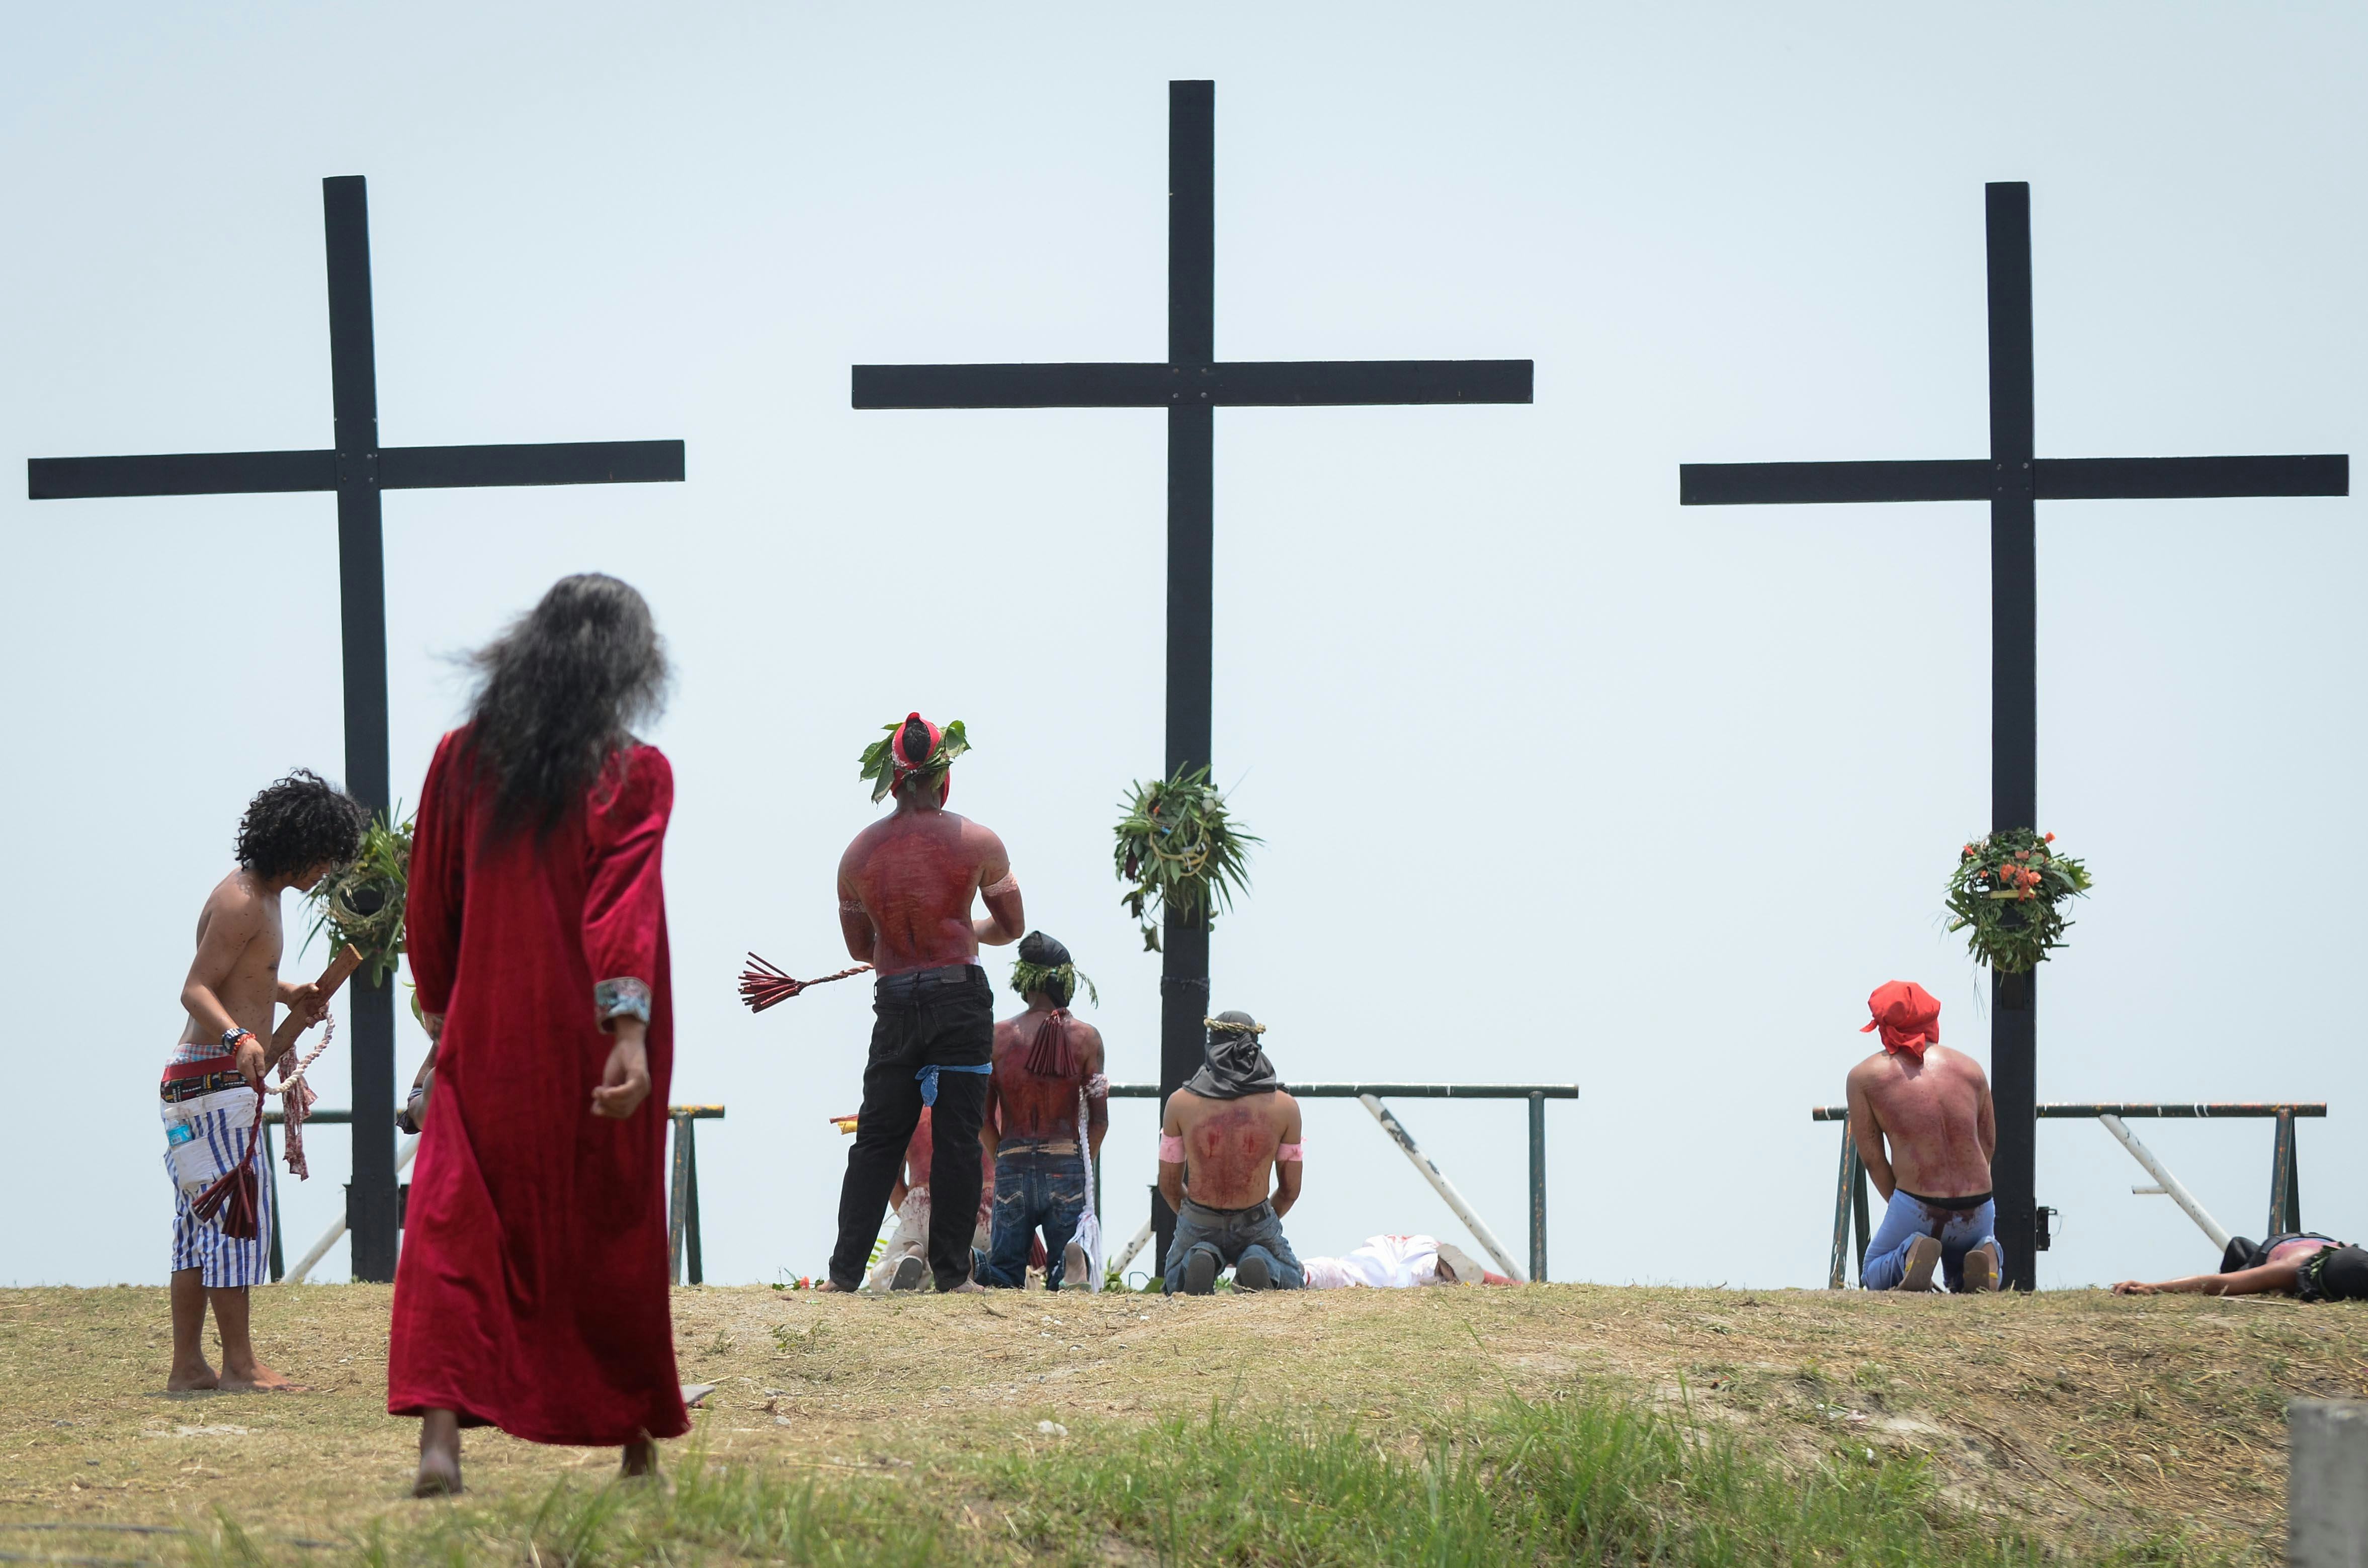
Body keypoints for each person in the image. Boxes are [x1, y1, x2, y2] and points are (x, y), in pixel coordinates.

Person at [390, 574, 685, 1496]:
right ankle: (634, 1440)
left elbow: (430, 897)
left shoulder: (460, 759)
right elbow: (621, 902)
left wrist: (444, 1012)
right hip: (599, 1040)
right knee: (612, 1223)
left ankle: (442, 1438)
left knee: (453, 1224)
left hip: (489, 1029)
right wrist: (628, 1033)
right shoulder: (634, 772)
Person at [160, 771, 365, 1392]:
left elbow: (240, 977)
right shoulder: (242, 900)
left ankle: (189, 1366)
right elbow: (195, 988)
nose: (325, 871)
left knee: (200, 1226)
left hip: (204, 1083)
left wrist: (289, 991)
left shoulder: (263, 898)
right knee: (234, 1218)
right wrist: (241, 1039)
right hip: (212, 1080)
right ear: (300, 844)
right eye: (325, 858)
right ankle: (241, 1366)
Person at [824, 714, 1024, 1295]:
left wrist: (901, 936)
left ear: (891, 782)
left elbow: (861, 947)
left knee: (878, 1140)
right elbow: (1011, 925)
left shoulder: (857, 855)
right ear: (944, 781)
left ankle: (842, 1277)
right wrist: (963, 927)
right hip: (959, 995)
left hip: (895, 999)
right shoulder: (978, 842)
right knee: (959, 1137)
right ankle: (954, 1277)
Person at [1845, 980, 2002, 1293]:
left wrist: (1905, 1206)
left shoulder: (1864, 1077)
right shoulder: (1972, 1069)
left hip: (1917, 1202)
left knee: (1872, 1267)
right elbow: (1987, 1144)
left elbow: (1873, 1159)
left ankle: (1909, 1255)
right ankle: (1988, 1253)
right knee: (1964, 1265)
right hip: (1979, 1201)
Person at [977, 932, 1108, 1291]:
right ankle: (1071, 1265)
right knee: (1058, 1275)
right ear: (1065, 980)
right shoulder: (1086, 1038)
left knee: (1004, 1272)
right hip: (1065, 1162)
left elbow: (982, 1120)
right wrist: (1080, 1163)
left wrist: (1002, 1156)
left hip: (1014, 1161)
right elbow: (1099, 1120)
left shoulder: (998, 1037)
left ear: (1025, 980)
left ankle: (968, 1262)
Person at [1158, 1011, 1305, 1293]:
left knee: (1175, 1279)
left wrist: (1196, 1218)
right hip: (1256, 1219)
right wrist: (1258, 1220)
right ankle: (1259, 1258)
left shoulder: (1180, 1103)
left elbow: (1169, 1185)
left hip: (1199, 1218)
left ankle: (1199, 1257)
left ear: (1212, 1048)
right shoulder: (1285, 1107)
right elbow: (1291, 1190)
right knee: (1289, 1278)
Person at [859, 1106, 998, 1292]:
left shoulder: (906, 1105)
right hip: (983, 1211)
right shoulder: (985, 1100)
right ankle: (972, 1263)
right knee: (1006, 1265)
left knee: (879, 1276)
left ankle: (909, 1260)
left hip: (921, 1208)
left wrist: (911, 1214)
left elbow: (892, 1178)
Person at [2112, 1234, 2368, 1300]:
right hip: (2269, 1253)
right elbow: (2219, 1284)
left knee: (2241, 1245)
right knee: (2239, 1253)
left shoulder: (2352, 1258)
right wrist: (2153, 1287)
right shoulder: (2292, 1269)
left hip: (2302, 1241)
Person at [1302, 1235, 1503, 1289]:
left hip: (1396, 1254)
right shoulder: (1427, 1248)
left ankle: (1300, 1274)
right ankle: (1299, 1275)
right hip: (1389, 1257)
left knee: (1343, 1272)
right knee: (1344, 1273)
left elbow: (1479, 1274)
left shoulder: (1429, 1245)